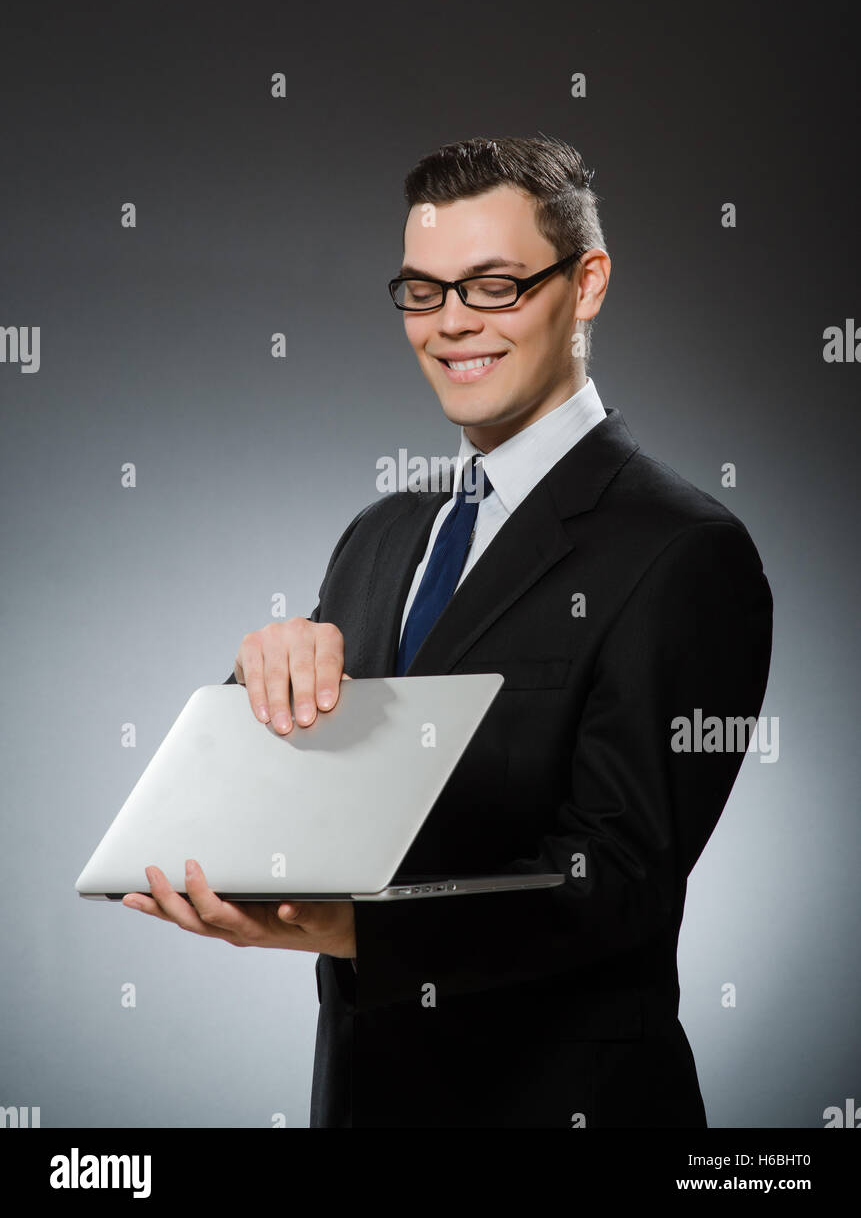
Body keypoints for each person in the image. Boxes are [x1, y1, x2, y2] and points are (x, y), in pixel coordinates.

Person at [124, 135, 773, 1128]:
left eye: (495, 285)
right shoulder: (381, 535)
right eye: (423, 292)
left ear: (587, 283)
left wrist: (354, 933)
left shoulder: (684, 550)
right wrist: (254, 685)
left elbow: (621, 879)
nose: (451, 324)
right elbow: (321, 793)